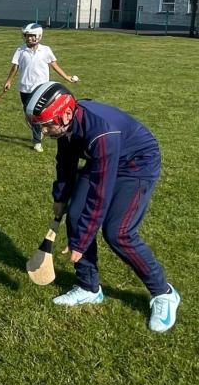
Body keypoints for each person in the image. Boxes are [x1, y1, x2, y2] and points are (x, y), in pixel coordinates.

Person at [25, 82, 180, 333]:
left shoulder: (101, 133)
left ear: (65, 114)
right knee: (74, 215)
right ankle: (88, 287)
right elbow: (65, 161)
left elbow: (100, 194)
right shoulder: (66, 123)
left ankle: (164, 293)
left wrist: (81, 241)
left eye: (46, 124)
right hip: (106, 159)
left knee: (119, 232)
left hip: (136, 164)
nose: (43, 131)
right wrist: (60, 195)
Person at [2, 23, 79, 152]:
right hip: (25, 88)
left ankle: (37, 140)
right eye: (27, 36)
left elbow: (54, 65)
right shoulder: (20, 50)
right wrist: (8, 81)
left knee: (40, 114)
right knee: (31, 116)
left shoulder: (46, 50)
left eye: (32, 36)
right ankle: (38, 133)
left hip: (42, 89)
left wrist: (66, 77)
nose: (29, 38)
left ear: (39, 36)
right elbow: (15, 67)